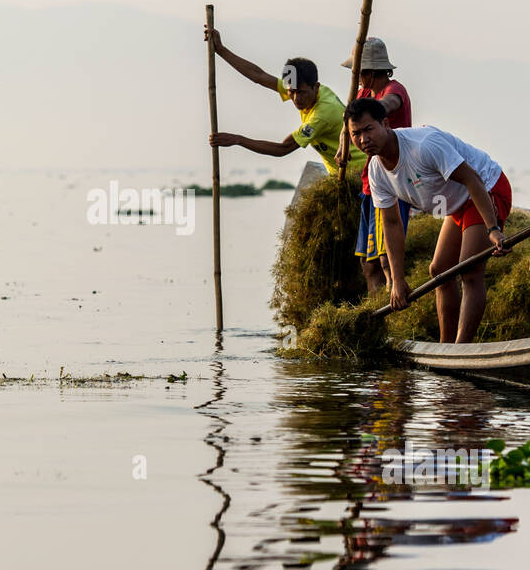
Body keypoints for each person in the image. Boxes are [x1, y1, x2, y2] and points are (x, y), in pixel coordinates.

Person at [344, 98, 511, 344]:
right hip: (456, 205)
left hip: (486, 188)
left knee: (469, 269)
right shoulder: (376, 172)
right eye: (355, 134)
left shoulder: (423, 145)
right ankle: (445, 347)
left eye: (369, 129)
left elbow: (472, 179)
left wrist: (493, 230)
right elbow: (391, 224)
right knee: (439, 270)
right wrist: (397, 281)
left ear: (385, 124)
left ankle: (461, 348)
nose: (363, 139)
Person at [203, 27, 363, 177]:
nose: (296, 99)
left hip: (358, 172)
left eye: (301, 93)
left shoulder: (322, 114)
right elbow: (259, 76)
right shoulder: (310, 91)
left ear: (316, 87)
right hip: (342, 173)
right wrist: (221, 50)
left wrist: (238, 140)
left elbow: (282, 149)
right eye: (291, 92)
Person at [338, 38, 412, 293]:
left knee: (385, 260)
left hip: (393, 181)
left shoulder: (394, 90)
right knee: (367, 263)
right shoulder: (363, 94)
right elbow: (347, 122)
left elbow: (390, 103)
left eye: (359, 73)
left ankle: (396, 304)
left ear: (368, 72)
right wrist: (343, 141)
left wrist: (368, 111)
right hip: (371, 183)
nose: (356, 78)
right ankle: (378, 312)